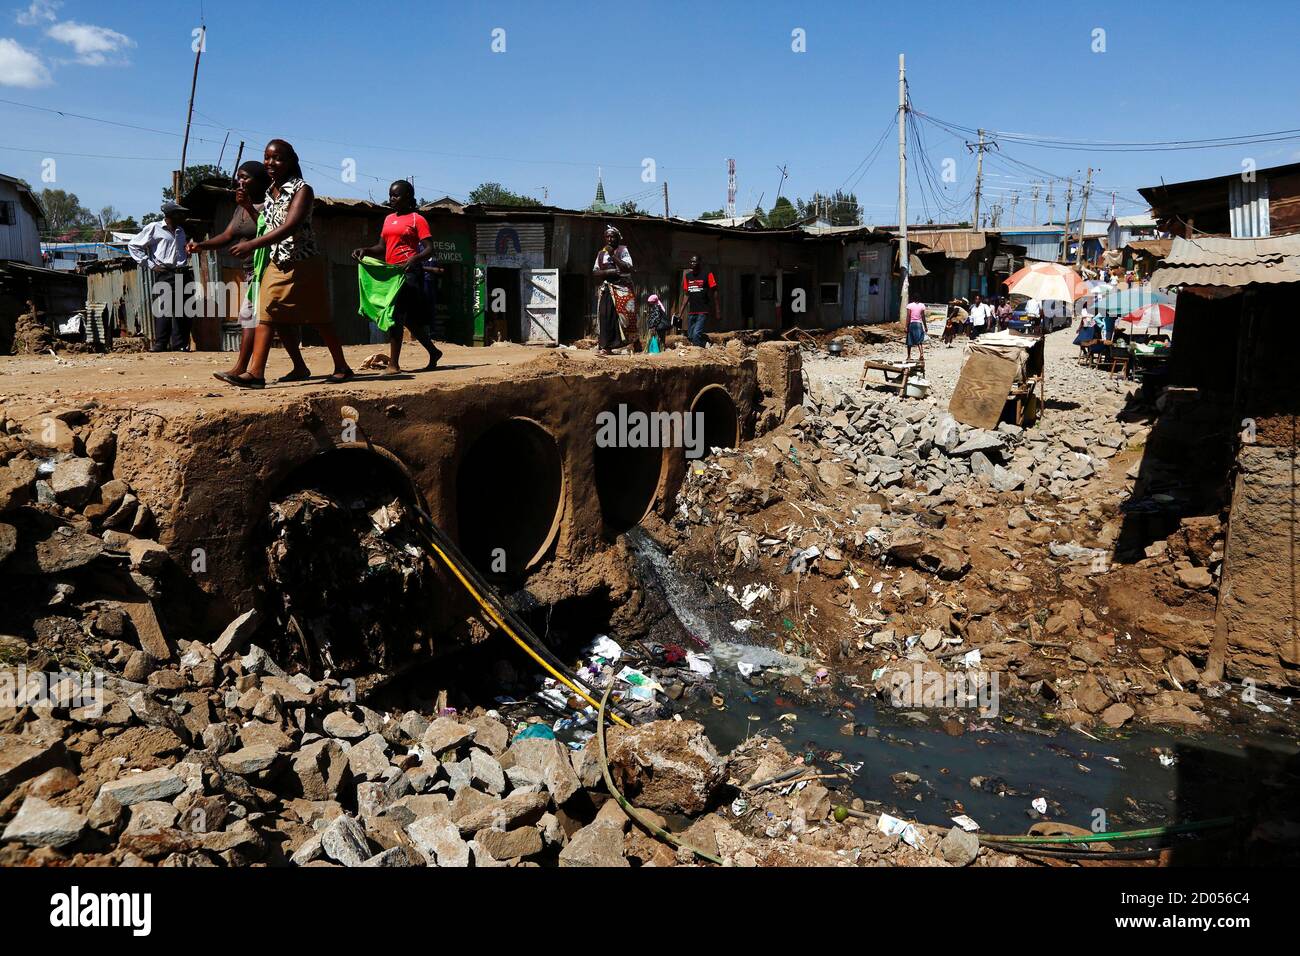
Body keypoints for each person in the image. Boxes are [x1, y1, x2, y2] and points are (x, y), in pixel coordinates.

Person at [219, 139, 353, 389]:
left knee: (319, 317)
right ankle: (255, 374)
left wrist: (252, 244)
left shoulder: (303, 190)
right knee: (267, 311)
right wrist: (249, 207)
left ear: (291, 161)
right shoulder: (271, 191)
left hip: (303, 262)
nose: (270, 163)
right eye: (267, 157)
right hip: (277, 261)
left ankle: (342, 367)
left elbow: (290, 226)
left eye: (277, 158)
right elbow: (268, 224)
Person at [186, 161, 271, 380]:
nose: (240, 182)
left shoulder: (270, 204)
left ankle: (242, 368)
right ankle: (301, 366)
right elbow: (227, 235)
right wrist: (201, 246)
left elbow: (270, 229)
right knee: (270, 322)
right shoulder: (241, 207)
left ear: (260, 181)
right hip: (250, 270)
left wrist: (250, 208)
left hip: (267, 269)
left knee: (250, 316)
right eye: (239, 177)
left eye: (246, 177)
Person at [351, 180, 443, 373]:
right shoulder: (388, 219)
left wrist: (414, 259)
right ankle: (433, 352)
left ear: (408, 197)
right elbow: (381, 247)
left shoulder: (418, 219)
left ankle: (393, 364)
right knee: (409, 320)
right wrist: (365, 250)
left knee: (396, 314)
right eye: (391, 195)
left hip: (409, 274)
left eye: (397, 195)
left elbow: (429, 248)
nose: (392, 198)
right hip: (391, 273)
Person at [129, 201, 192, 352]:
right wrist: (150, 265)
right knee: (163, 309)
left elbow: (180, 250)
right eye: (179, 213)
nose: (183, 216)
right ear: (170, 215)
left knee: (182, 311)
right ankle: (160, 345)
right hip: (166, 273)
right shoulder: (154, 228)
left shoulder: (181, 231)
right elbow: (133, 245)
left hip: (182, 272)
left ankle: (180, 345)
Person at [593, 225, 636, 355]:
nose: (610, 239)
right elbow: (595, 271)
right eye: (608, 236)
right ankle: (606, 346)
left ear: (618, 238)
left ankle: (627, 344)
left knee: (624, 317)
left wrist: (614, 256)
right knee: (605, 316)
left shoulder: (623, 250)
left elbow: (627, 267)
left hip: (622, 288)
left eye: (613, 236)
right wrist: (609, 271)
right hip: (607, 288)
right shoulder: (601, 253)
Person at [678, 255, 719, 347]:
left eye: (694, 261)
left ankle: (698, 353)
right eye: (691, 262)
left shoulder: (707, 275)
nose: (692, 263)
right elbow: (686, 295)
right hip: (692, 311)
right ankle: (705, 344)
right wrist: (680, 313)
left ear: (700, 263)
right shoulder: (688, 276)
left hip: (703, 310)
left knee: (696, 333)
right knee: (691, 335)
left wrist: (717, 310)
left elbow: (715, 291)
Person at [905, 296, 926, 364]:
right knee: (919, 340)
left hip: (912, 324)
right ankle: (921, 354)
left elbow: (908, 316)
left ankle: (909, 356)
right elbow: (923, 316)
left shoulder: (910, 305)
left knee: (909, 340)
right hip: (919, 324)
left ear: (913, 299)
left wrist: (906, 326)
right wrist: (925, 326)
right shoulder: (922, 305)